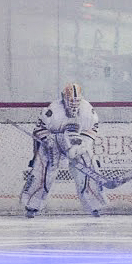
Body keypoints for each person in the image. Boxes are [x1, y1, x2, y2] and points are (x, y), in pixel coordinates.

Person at [21, 83, 110, 218]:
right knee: (45, 170)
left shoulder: (88, 110)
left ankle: (95, 206)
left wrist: (82, 145)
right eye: (70, 101)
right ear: (63, 98)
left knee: (88, 165)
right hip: (53, 141)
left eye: (76, 101)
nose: (74, 105)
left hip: (76, 141)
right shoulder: (52, 111)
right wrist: (48, 140)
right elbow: (38, 130)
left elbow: (93, 129)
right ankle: (32, 205)